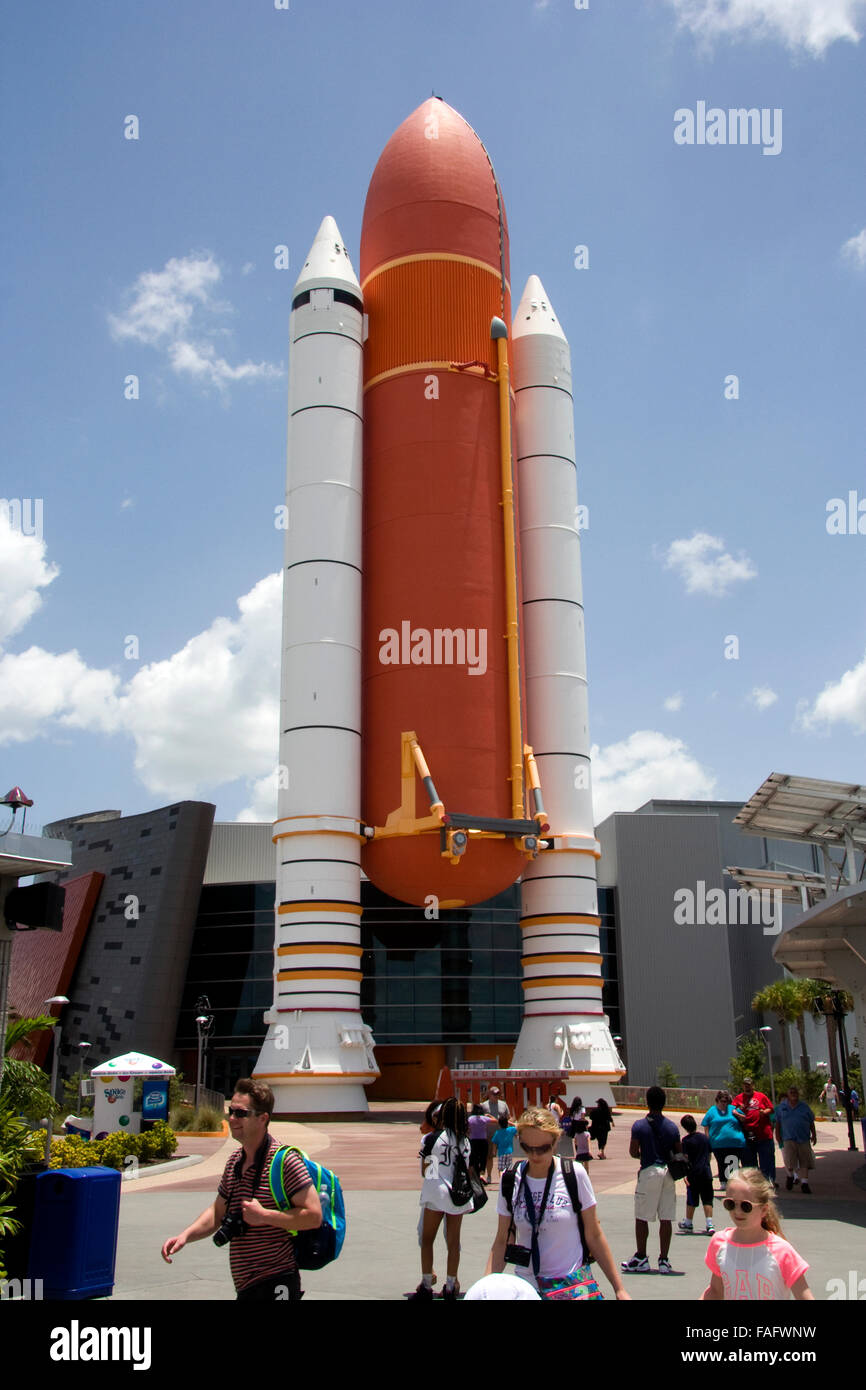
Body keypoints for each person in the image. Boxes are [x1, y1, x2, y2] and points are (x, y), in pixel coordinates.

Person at [161, 1078, 321, 1301]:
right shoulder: (236, 1161)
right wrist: (185, 1236)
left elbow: (313, 1216)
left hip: (277, 1280)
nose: (232, 1119)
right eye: (231, 1111)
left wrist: (265, 1216)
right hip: (246, 1285)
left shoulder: (285, 1162)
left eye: (241, 1113)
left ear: (262, 1118)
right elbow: (218, 1212)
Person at [485, 1106, 630, 1300]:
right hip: (529, 1290)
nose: (535, 1155)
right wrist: (484, 1287)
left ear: (555, 1142)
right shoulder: (510, 1179)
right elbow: (502, 1240)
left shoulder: (574, 1174)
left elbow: (594, 1234)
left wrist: (619, 1289)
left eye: (543, 1149)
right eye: (528, 1148)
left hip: (571, 1286)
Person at [701, 1168, 813, 1301]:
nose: (737, 1211)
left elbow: (805, 1297)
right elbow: (715, 1290)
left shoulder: (782, 1251)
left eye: (746, 1206)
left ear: (764, 1209)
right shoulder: (719, 1243)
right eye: (730, 1204)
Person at [409, 1095, 480, 1300]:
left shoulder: (433, 1138)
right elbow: (466, 1169)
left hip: (436, 1192)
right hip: (459, 1195)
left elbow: (426, 1171)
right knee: (453, 1242)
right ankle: (450, 1286)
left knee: (427, 1239)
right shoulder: (465, 1141)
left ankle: (426, 1286)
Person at [621, 1085, 683, 1275]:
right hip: (668, 1173)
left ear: (647, 1102)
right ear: (664, 1103)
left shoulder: (639, 1126)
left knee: (642, 1216)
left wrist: (644, 1154)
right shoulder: (672, 1127)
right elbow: (679, 1153)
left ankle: (641, 1257)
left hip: (649, 1170)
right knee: (666, 1217)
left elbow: (633, 1151)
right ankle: (664, 1260)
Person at [732, 1077, 777, 1186]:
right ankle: (754, 1183)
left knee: (767, 1160)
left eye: (749, 1084)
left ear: (753, 1085)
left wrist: (764, 1112)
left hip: (763, 1134)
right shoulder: (739, 1098)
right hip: (747, 1134)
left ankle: (769, 1181)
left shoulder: (761, 1096)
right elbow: (731, 1110)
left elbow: (771, 1109)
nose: (747, 1087)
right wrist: (738, 1112)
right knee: (749, 1162)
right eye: (745, 1085)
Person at [700, 1089, 748, 1188]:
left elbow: (744, 1118)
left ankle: (733, 1183)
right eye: (722, 1101)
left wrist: (737, 1114)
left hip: (735, 1142)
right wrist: (707, 1140)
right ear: (717, 1100)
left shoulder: (732, 1108)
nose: (724, 1103)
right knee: (721, 1163)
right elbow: (706, 1125)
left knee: (733, 1162)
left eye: (726, 1101)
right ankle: (723, 1182)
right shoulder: (712, 1111)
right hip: (718, 1143)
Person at [775, 1086, 817, 1194]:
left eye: (795, 1092)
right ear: (787, 1095)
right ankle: (790, 1176)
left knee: (804, 1161)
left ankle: (804, 1183)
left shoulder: (804, 1107)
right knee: (790, 1162)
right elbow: (778, 1123)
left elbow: (811, 1121)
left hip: (803, 1138)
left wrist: (814, 1134)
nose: (793, 1094)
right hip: (788, 1138)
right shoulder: (781, 1107)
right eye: (791, 1092)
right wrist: (778, 1136)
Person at [677, 1114, 714, 1235]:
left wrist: (685, 1174)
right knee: (707, 1199)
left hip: (693, 1174)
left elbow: (685, 1158)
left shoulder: (686, 1141)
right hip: (706, 1173)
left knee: (692, 1198)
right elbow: (709, 1155)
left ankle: (688, 1222)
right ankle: (709, 1224)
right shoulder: (704, 1138)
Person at [483, 1086, 510, 1183]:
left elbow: (508, 1117)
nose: (496, 1096)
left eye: (498, 1094)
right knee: (489, 1156)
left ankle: (505, 1177)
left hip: (502, 1134)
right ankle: (489, 1176)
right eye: (494, 1094)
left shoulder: (503, 1104)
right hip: (490, 1134)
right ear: (489, 1094)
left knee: (504, 1155)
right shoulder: (484, 1105)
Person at [468, 1103, 495, 1183]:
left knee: (473, 1158)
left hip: (473, 1141)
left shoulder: (470, 1119)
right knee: (483, 1158)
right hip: (483, 1141)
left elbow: (466, 1126)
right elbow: (496, 1121)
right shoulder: (484, 1118)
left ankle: (474, 1176)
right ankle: (482, 1174)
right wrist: (489, 1116)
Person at [489, 1112, 517, 1180]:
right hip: (509, 1152)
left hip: (501, 1153)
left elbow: (494, 1143)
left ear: (499, 1124)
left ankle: (502, 1180)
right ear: (507, 1123)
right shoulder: (511, 1130)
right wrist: (511, 1123)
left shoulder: (498, 1132)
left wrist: (494, 1151)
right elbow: (517, 1126)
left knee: (501, 1169)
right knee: (509, 1168)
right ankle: (508, 1180)